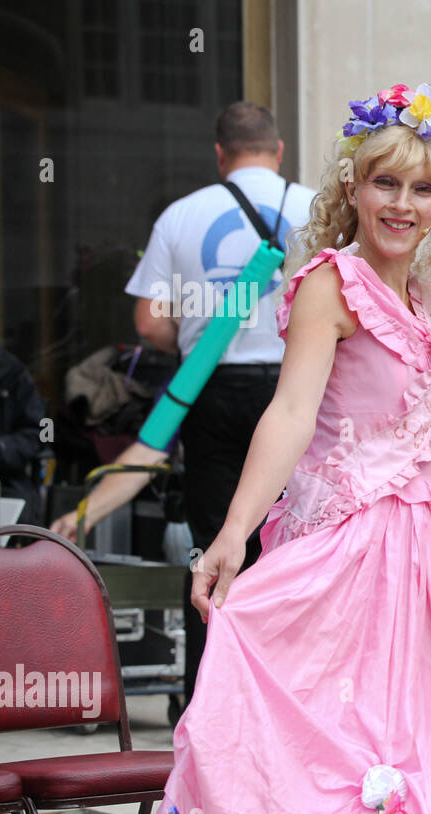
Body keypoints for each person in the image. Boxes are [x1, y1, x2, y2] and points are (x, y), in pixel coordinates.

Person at [140, 83, 431, 814]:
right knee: (346, 769)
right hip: (354, 559)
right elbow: (289, 413)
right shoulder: (330, 282)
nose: (403, 204)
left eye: (424, 188)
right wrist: (234, 533)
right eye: (387, 183)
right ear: (352, 188)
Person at [126, 101, 315, 705]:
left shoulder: (181, 215)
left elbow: (149, 322)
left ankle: (207, 698)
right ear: (278, 150)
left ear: (219, 154)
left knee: (212, 544)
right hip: (295, 388)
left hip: (210, 390)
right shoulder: (316, 207)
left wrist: (199, 335)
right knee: (293, 544)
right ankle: (284, 698)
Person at [0, 346, 47, 528]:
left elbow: (41, 434)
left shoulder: (12, 372)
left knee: (22, 516)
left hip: (6, 478)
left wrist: (2, 448)